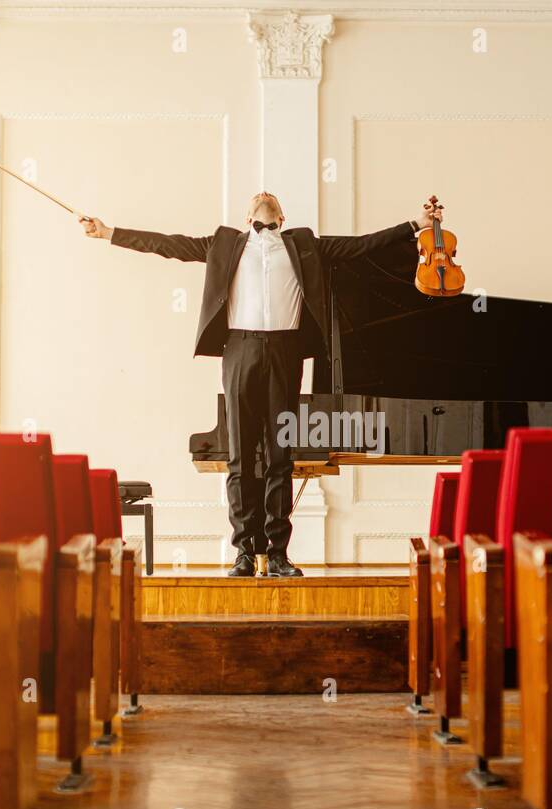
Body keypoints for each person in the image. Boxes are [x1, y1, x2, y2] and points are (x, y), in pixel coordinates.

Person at [82, 193, 438, 577]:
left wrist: (415, 224)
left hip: (286, 351)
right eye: (258, 198)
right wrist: (109, 233)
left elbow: (361, 245)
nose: (264, 195)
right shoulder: (223, 243)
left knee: (280, 457)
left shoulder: (304, 244)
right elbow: (169, 245)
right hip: (240, 349)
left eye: (270, 199)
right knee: (240, 457)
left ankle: (278, 554)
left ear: (281, 216)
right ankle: (245, 552)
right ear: (246, 215)